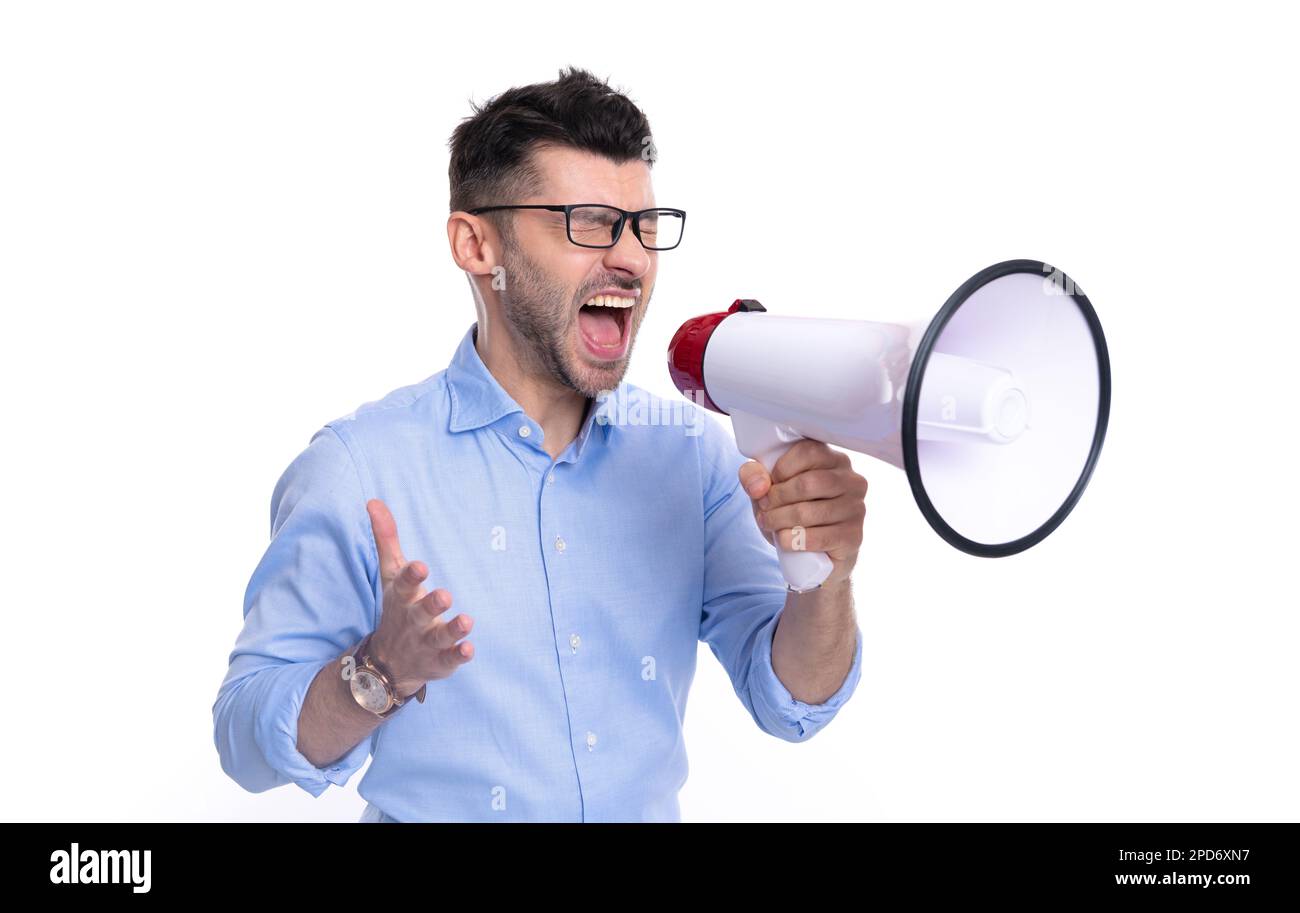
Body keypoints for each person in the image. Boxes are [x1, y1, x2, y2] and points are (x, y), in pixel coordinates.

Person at [212, 67, 867, 822]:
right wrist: (378, 672)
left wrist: (821, 572)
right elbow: (244, 742)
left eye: (643, 225)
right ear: (476, 243)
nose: (632, 258)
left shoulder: (693, 457)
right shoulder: (359, 467)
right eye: (587, 221)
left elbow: (792, 700)